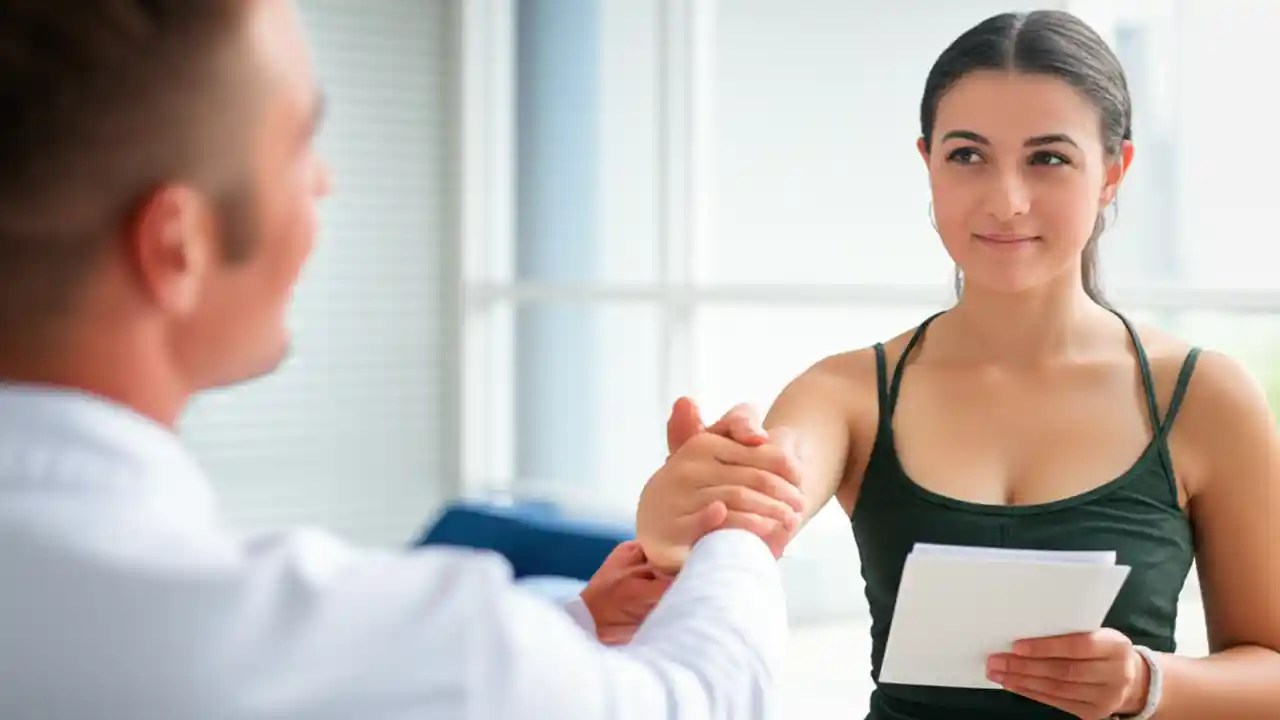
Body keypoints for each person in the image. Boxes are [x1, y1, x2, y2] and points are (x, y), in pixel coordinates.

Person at [0, 1, 807, 718]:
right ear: (180, 246)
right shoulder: (364, 643)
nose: (323, 182)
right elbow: (696, 702)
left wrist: (571, 631)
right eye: (297, 143)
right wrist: (734, 536)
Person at [638, 10, 1280, 720]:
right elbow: (765, 487)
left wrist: (1144, 684)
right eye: (967, 156)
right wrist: (681, 519)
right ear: (929, 165)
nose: (1005, 202)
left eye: (1049, 158)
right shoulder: (846, 393)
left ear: (1113, 173)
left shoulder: (1202, 396)